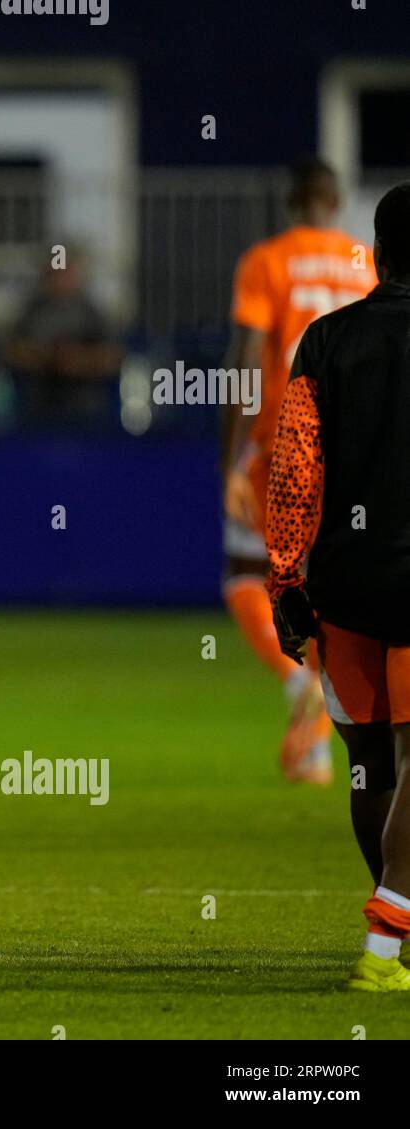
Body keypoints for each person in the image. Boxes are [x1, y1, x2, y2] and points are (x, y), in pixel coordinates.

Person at [266, 181, 410, 991]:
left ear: (379, 257)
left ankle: (395, 925)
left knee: (369, 764)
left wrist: (286, 580)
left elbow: (294, 469)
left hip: (347, 583)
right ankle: (388, 935)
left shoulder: (325, 341)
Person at [224, 158, 375, 785]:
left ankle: (297, 684)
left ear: (292, 203)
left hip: (283, 443)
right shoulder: (366, 262)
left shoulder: (267, 262)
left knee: (248, 577)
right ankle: (318, 745)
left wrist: (234, 459)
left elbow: (244, 358)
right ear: (337, 202)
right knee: (332, 589)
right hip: (353, 447)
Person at [0, 255, 123, 430]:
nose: (62, 279)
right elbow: (10, 351)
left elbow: (113, 357)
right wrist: (46, 357)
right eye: (56, 273)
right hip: (38, 408)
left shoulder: (91, 311)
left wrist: (79, 360)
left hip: (87, 410)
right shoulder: (33, 311)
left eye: (67, 273)